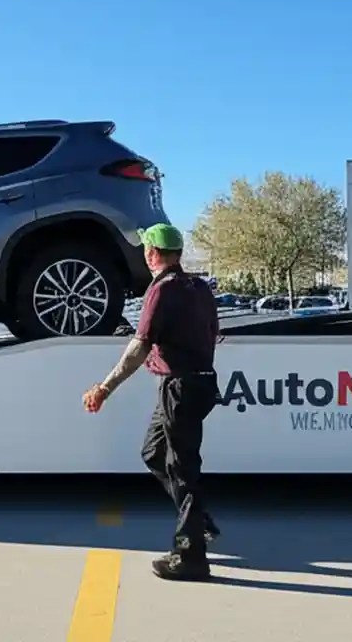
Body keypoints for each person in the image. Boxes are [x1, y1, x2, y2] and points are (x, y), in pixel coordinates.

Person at [82, 223, 221, 581]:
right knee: (153, 452)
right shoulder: (200, 288)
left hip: (179, 387)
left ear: (152, 254)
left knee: (183, 468)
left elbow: (139, 346)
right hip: (198, 384)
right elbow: (212, 335)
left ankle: (190, 557)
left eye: (146, 247)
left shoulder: (160, 290)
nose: (144, 252)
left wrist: (104, 387)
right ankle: (197, 519)